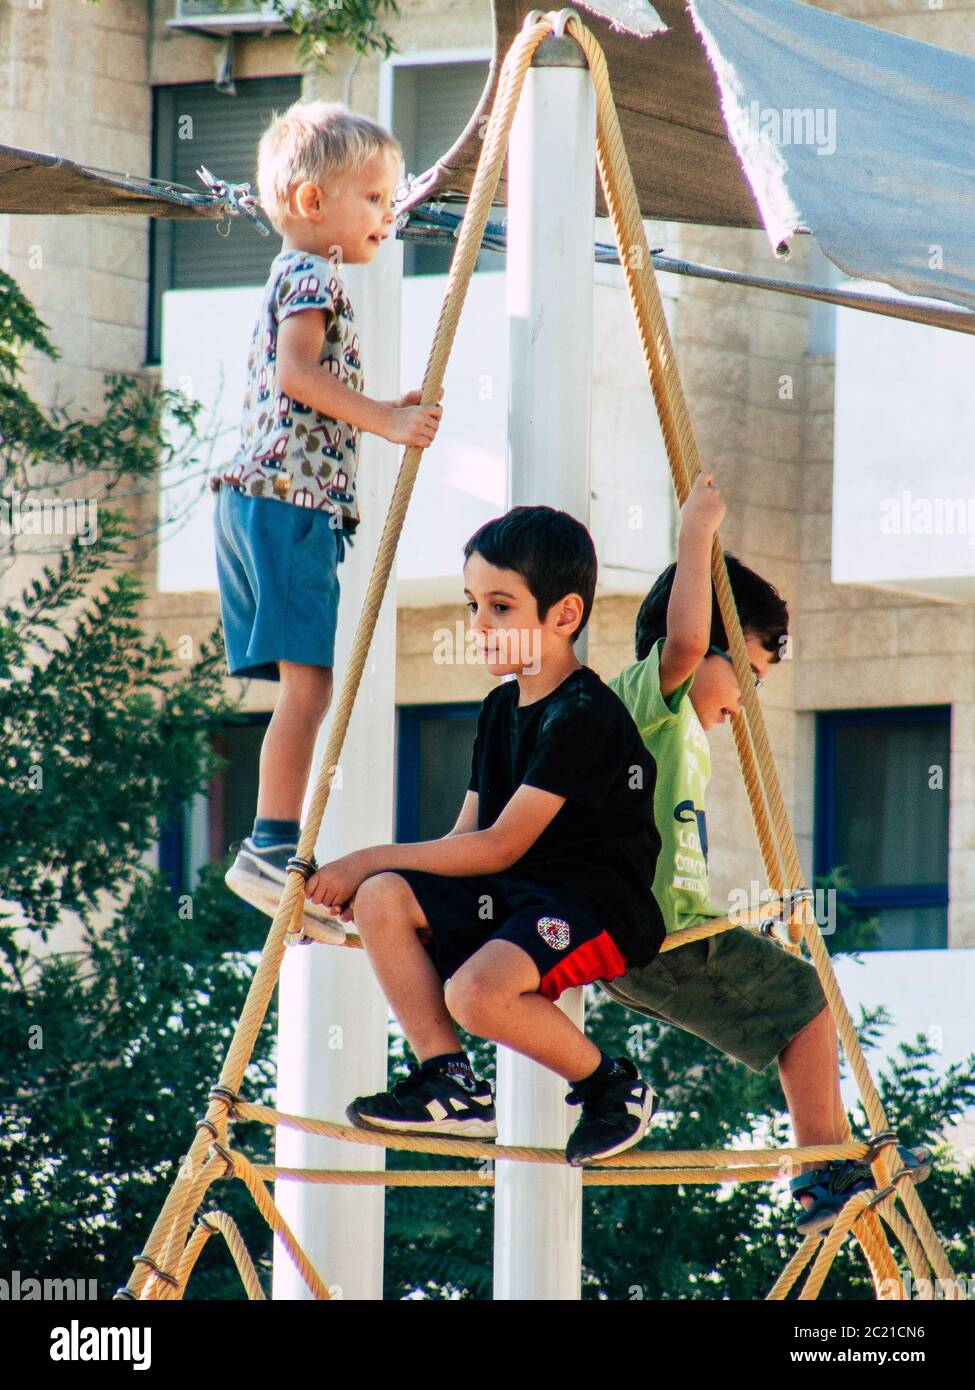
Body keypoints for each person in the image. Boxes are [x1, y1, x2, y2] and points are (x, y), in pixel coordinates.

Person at [603, 471, 932, 1232]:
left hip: (654, 935)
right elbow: (686, 638)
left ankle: (825, 1162)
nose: (745, 700)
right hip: (647, 930)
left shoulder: (675, 729)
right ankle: (821, 1168)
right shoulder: (647, 700)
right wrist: (696, 533)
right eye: (746, 674)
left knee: (792, 1007)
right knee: (806, 998)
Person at [302, 506, 666, 1164]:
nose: (478, 626)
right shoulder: (501, 706)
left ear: (562, 615)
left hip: (589, 904)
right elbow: (463, 839)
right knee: (385, 894)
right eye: (473, 604)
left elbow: (498, 845)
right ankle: (451, 1083)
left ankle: (612, 1084)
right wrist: (353, 909)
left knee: (473, 992)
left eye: (500, 606)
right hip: (515, 894)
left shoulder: (583, 715)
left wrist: (361, 859)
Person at [213, 100, 443, 928]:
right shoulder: (312, 275)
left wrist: (378, 405)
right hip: (287, 506)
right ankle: (270, 845)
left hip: (259, 502)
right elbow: (298, 378)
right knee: (308, 690)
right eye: (375, 198)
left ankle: (270, 848)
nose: (390, 214)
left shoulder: (292, 273)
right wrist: (383, 421)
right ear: (314, 204)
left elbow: (305, 393)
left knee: (300, 689)